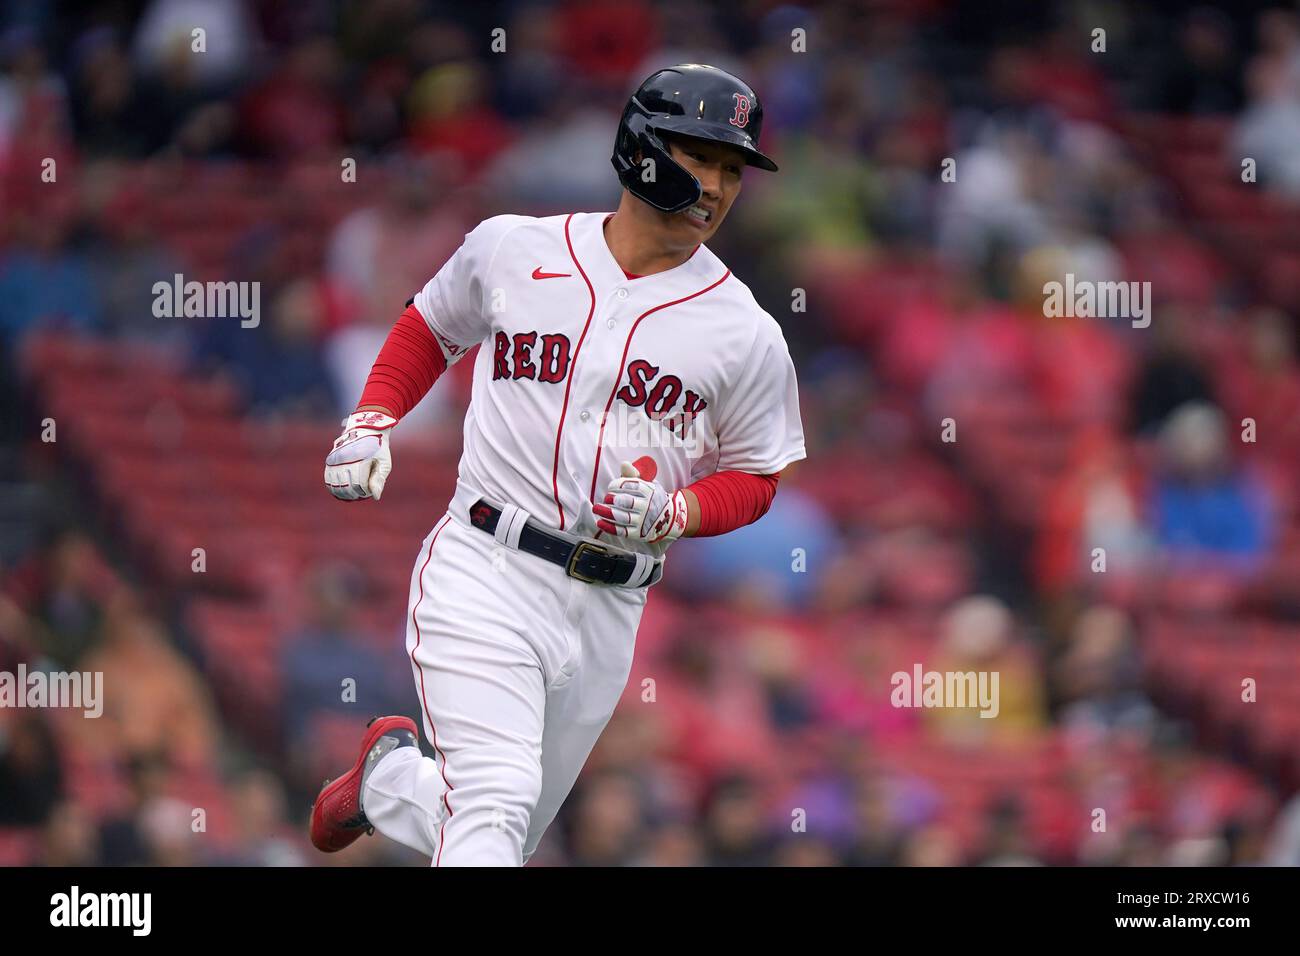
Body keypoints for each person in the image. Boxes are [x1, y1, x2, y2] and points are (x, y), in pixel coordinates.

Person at [309, 64, 806, 866]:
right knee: (496, 800)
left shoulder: (744, 331)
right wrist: (372, 418)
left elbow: (757, 475)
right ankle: (395, 784)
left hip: (612, 607)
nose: (717, 184)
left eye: (732, 168)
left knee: (499, 827)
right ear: (643, 148)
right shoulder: (516, 248)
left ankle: (386, 784)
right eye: (701, 156)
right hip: (488, 561)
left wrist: (682, 512)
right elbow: (430, 326)